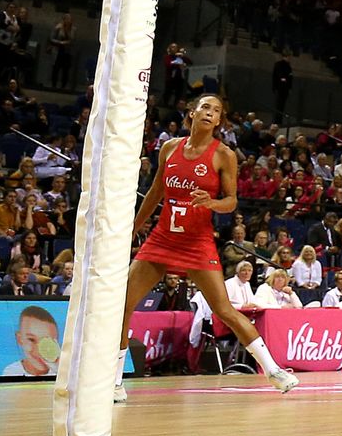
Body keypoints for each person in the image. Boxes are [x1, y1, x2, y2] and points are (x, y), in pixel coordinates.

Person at [117, 94, 298, 401]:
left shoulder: (224, 154)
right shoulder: (170, 147)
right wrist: (134, 227)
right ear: (193, 113)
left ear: (218, 121)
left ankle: (273, 370)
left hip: (196, 242)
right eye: (205, 106)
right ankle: (115, 380)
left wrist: (211, 203)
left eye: (216, 111)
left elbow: (232, 201)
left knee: (224, 310)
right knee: (123, 306)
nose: (209, 112)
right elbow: (156, 191)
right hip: (162, 238)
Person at [4, 305, 61, 376]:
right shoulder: (11, 371)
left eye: (46, 342)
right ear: (19, 339)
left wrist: (60, 371)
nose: (39, 349)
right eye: (32, 340)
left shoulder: (61, 372)